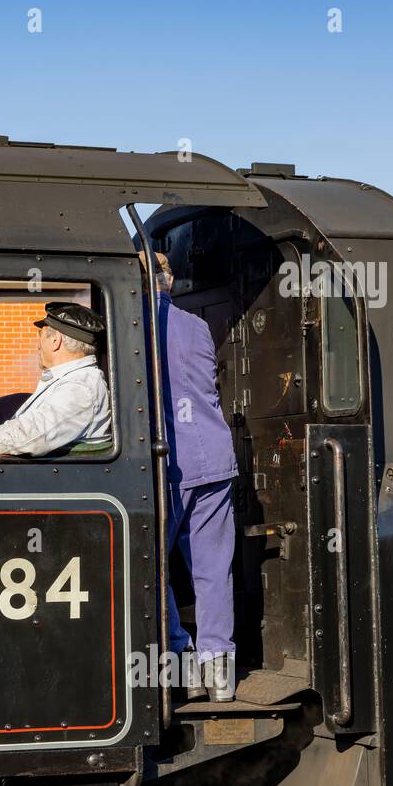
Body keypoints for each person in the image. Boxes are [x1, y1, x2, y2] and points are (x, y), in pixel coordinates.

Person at [140, 251, 238, 702]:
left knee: (151, 567)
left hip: (169, 462)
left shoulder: (133, 325)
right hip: (213, 454)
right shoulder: (197, 325)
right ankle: (219, 673)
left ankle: (181, 660)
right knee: (213, 570)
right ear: (170, 281)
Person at [0, 302, 112, 457]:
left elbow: (29, 436)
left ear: (55, 340)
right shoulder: (71, 381)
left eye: (41, 337)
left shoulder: (80, 387)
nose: (38, 346)